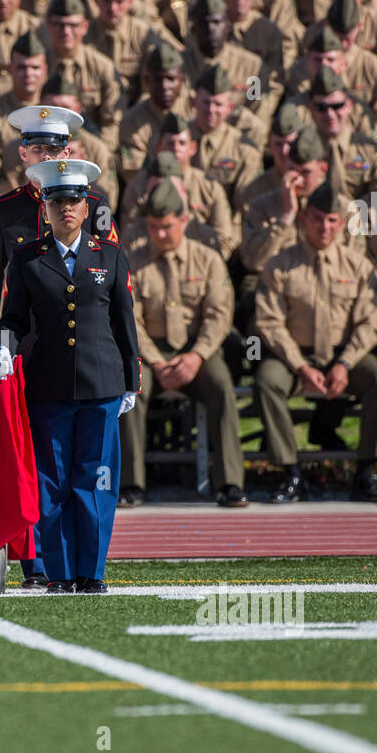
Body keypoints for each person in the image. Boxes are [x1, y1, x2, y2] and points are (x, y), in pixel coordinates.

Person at [0, 158, 139, 594]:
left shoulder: (109, 255)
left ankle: (91, 573)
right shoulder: (27, 260)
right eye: (57, 201)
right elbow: (13, 318)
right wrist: (3, 347)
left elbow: (123, 322)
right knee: (51, 484)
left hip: (101, 386)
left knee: (94, 482)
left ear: (86, 205)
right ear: (47, 207)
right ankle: (57, 573)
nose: (66, 209)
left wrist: (131, 379)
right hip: (49, 387)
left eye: (74, 200)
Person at [253, 181, 377, 503]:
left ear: (341, 224)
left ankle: (365, 472)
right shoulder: (279, 265)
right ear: (303, 219)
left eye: (332, 220)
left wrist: (345, 363)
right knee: (267, 382)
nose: (324, 227)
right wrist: (300, 366)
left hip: (344, 355)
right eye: (317, 219)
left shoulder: (358, 266)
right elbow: (268, 322)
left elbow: (370, 323)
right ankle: (289, 473)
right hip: (294, 357)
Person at [122, 180, 247, 508]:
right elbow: (129, 320)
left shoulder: (208, 260)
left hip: (198, 350)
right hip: (151, 354)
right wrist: (156, 362)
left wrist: (196, 356)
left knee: (221, 387)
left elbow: (220, 315)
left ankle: (230, 483)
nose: (160, 235)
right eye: (153, 227)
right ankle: (130, 484)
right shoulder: (132, 261)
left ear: (184, 221)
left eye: (166, 227)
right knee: (131, 390)